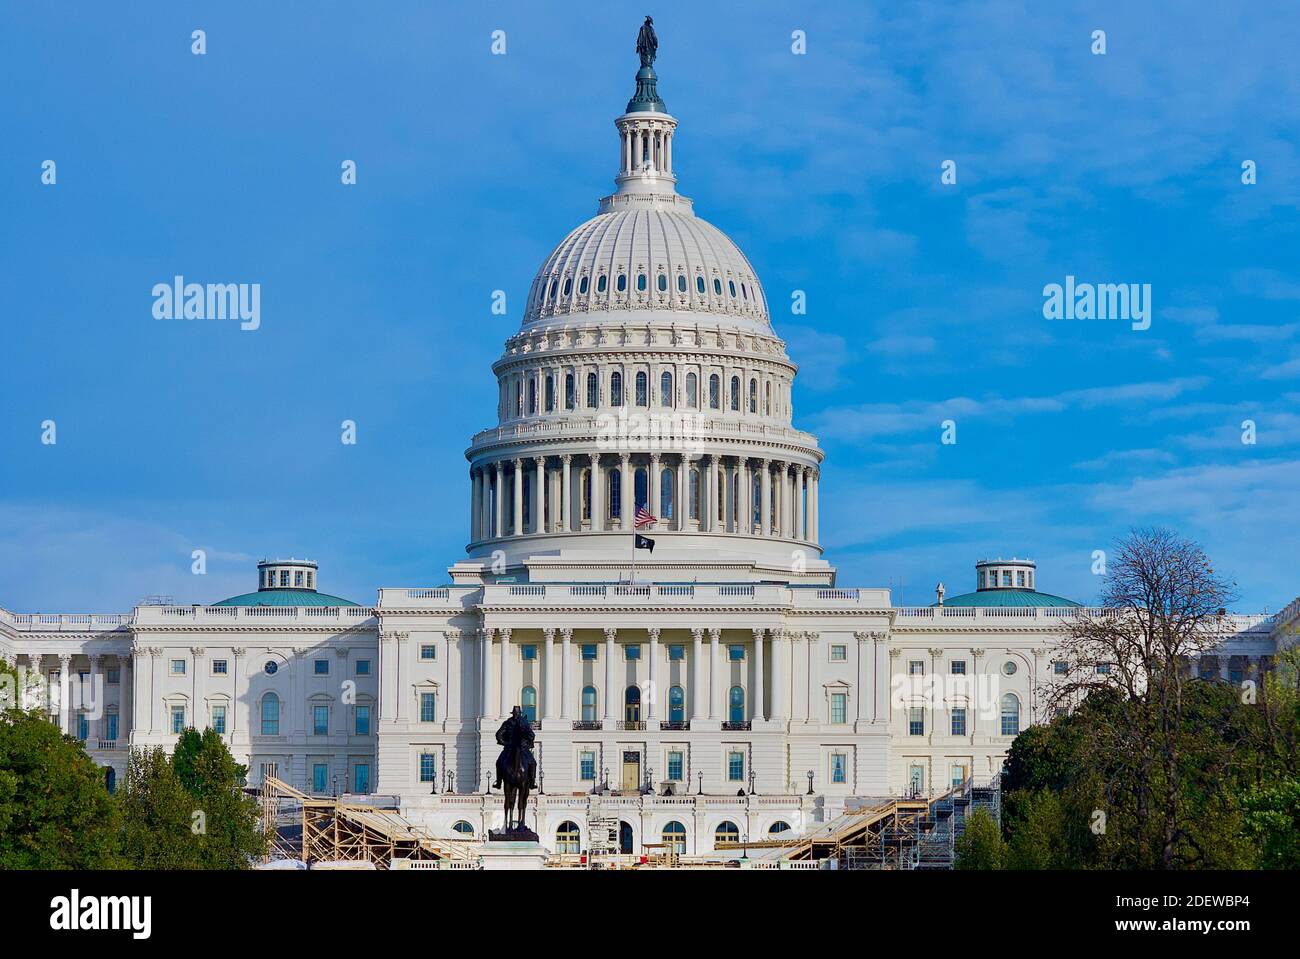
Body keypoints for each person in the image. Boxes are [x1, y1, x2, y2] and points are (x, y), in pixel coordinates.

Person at [493, 706, 537, 790]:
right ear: (513, 714)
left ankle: (532, 782)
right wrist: (505, 743)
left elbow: (531, 734)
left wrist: (527, 743)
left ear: (520, 714)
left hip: (523, 748)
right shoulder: (508, 722)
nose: (516, 715)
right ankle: (498, 782)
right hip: (509, 748)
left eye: (517, 713)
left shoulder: (524, 722)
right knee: (499, 762)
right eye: (515, 713)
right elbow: (499, 734)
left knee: (533, 762)